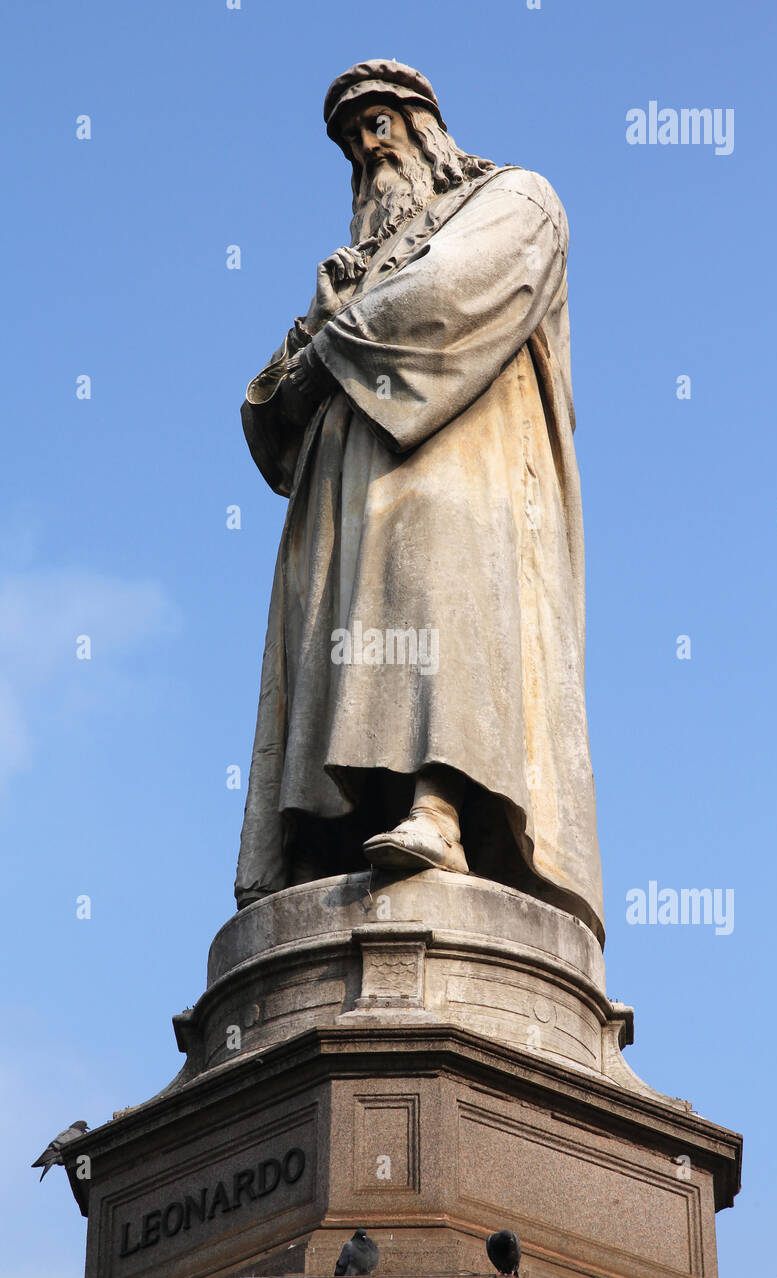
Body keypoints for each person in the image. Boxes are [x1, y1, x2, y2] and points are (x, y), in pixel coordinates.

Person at [234, 60, 604, 943]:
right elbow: (264, 415)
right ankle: (332, 840)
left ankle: (442, 812)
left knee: (445, 607)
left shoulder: (515, 199)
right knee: (339, 642)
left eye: (380, 123)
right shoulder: (348, 273)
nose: (367, 147)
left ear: (425, 124)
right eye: (350, 139)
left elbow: (449, 300)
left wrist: (333, 341)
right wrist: (321, 339)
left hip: (464, 465)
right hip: (340, 501)